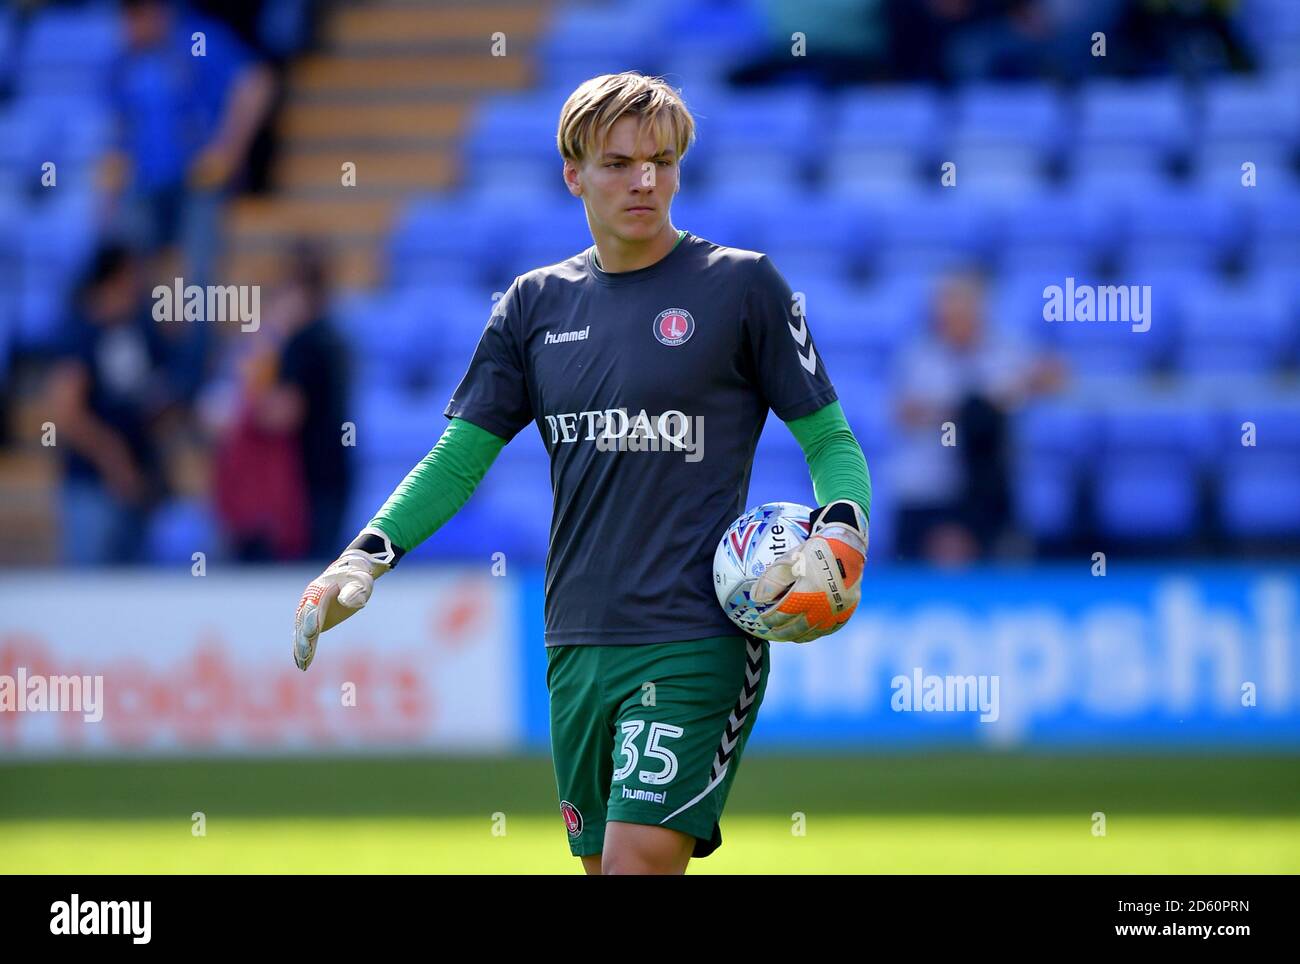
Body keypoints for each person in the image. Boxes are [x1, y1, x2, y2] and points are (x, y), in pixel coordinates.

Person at [289, 73, 872, 874]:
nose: (645, 181)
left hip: (694, 636)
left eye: (662, 161)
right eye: (620, 163)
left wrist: (843, 525)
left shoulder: (743, 287)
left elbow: (830, 439)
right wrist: (366, 555)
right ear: (573, 173)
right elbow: (460, 459)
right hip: (575, 641)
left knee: (636, 866)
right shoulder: (533, 307)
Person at [893, 271, 1063, 564]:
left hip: (987, 487)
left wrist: (1012, 392)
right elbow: (905, 413)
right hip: (931, 486)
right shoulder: (919, 355)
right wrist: (973, 410)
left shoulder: (1005, 349)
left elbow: (1054, 376)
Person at [46, 245, 172, 564]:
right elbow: (65, 411)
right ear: (115, 278)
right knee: (90, 596)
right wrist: (112, 457)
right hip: (92, 488)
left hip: (140, 490)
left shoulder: (141, 330)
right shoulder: (81, 331)